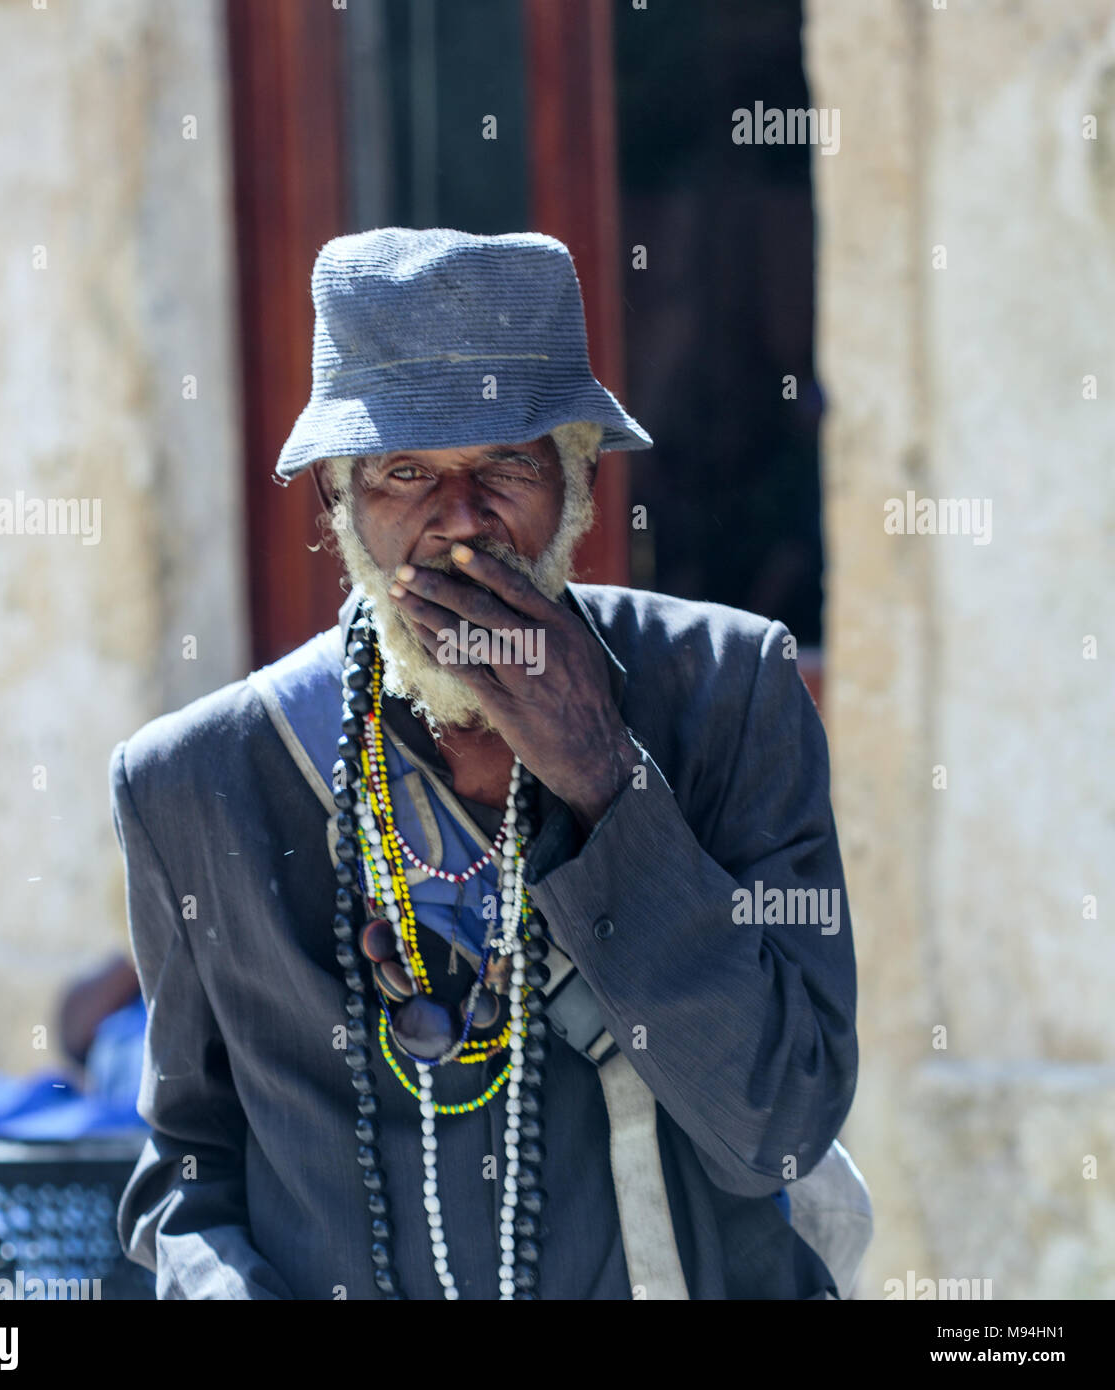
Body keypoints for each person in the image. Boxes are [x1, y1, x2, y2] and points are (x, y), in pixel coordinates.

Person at [110, 227, 861, 1300]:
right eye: (405, 472)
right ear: (337, 498)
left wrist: (604, 776)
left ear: (579, 476)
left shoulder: (730, 693)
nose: (459, 525)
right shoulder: (196, 781)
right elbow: (187, 1169)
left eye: (506, 465)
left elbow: (779, 1128)